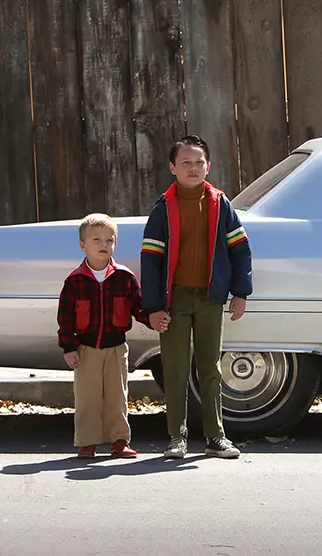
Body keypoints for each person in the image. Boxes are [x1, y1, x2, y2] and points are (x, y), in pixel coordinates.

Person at [140, 135, 252, 460]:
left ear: (208, 165)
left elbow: (240, 250)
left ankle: (216, 437)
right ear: (173, 167)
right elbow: (151, 259)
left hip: (210, 299)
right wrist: (153, 306)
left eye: (199, 162)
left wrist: (241, 292)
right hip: (173, 301)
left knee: (210, 368)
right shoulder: (163, 208)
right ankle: (177, 437)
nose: (193, 168)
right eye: (185, 163)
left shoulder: (220, 204)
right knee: (174, 369)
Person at [58, 213, 156, 459]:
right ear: (83, 246)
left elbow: (138, 307)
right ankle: (87, 442)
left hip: (116, 347)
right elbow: (65, 318)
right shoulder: (75, 281)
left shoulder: (124, 277)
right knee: (88, 397)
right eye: (97, 240)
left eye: (109, 240)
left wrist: (154, 319)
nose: (104, 245)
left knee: (117, 396)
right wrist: (69, 347)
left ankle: (119, 440)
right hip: (86, 348)